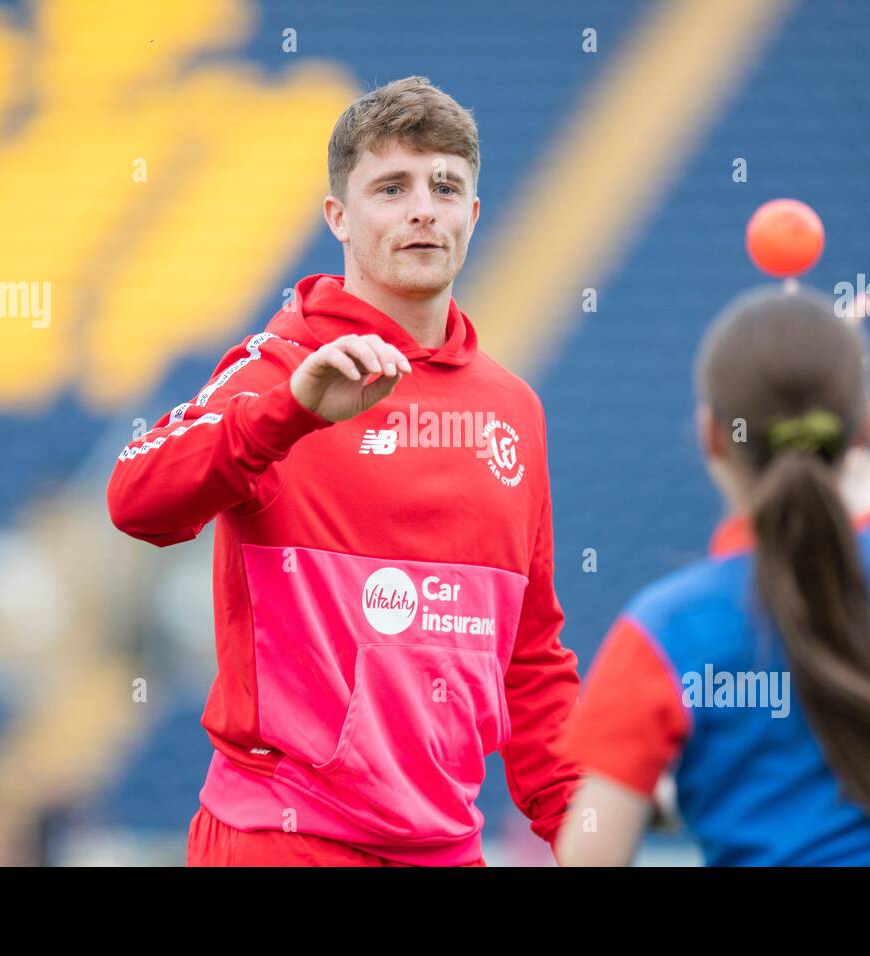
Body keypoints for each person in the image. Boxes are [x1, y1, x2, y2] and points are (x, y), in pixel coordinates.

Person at [107, 76, 581, 866]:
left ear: (473, 212)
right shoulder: (283, 371)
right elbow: (137, 500)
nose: (423, 208)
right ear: (339, 217)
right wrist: (287, 415)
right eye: (391, 188)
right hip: (283, 839)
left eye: (445, 187)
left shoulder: (513, 410)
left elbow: (530, 660)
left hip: (444, 843)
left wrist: (583, 828)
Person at [553, 286, 870, 866]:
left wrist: (669, 790)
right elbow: (862, 488)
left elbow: (589, 858)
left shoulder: (665, 631)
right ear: (867, 430)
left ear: (711, 437)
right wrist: (833, 365)